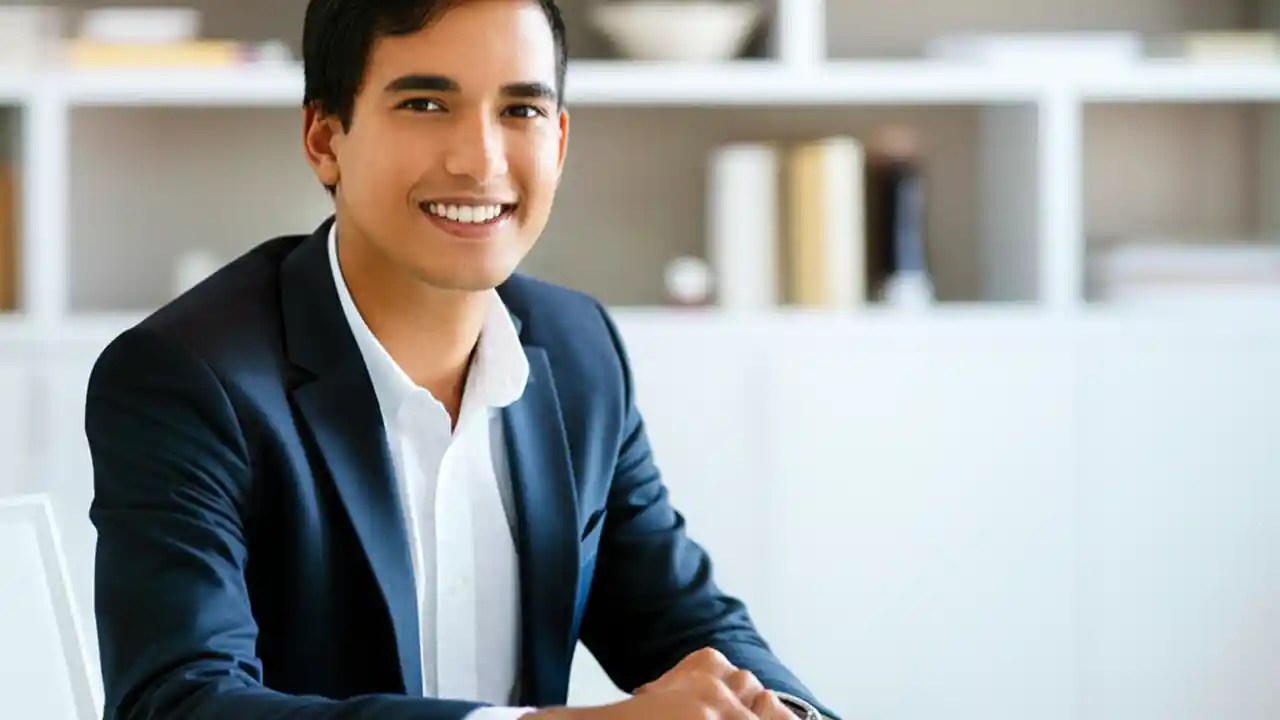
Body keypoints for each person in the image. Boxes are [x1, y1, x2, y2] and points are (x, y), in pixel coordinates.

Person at [85, 1, 837, 719]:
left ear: (561, 140)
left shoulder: (580, 351)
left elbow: (685, 622)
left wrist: (787, 716)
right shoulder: (185, 379)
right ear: (324, 139)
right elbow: (179, 702)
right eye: (424, 104)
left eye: (521, 110)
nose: (481, 162)